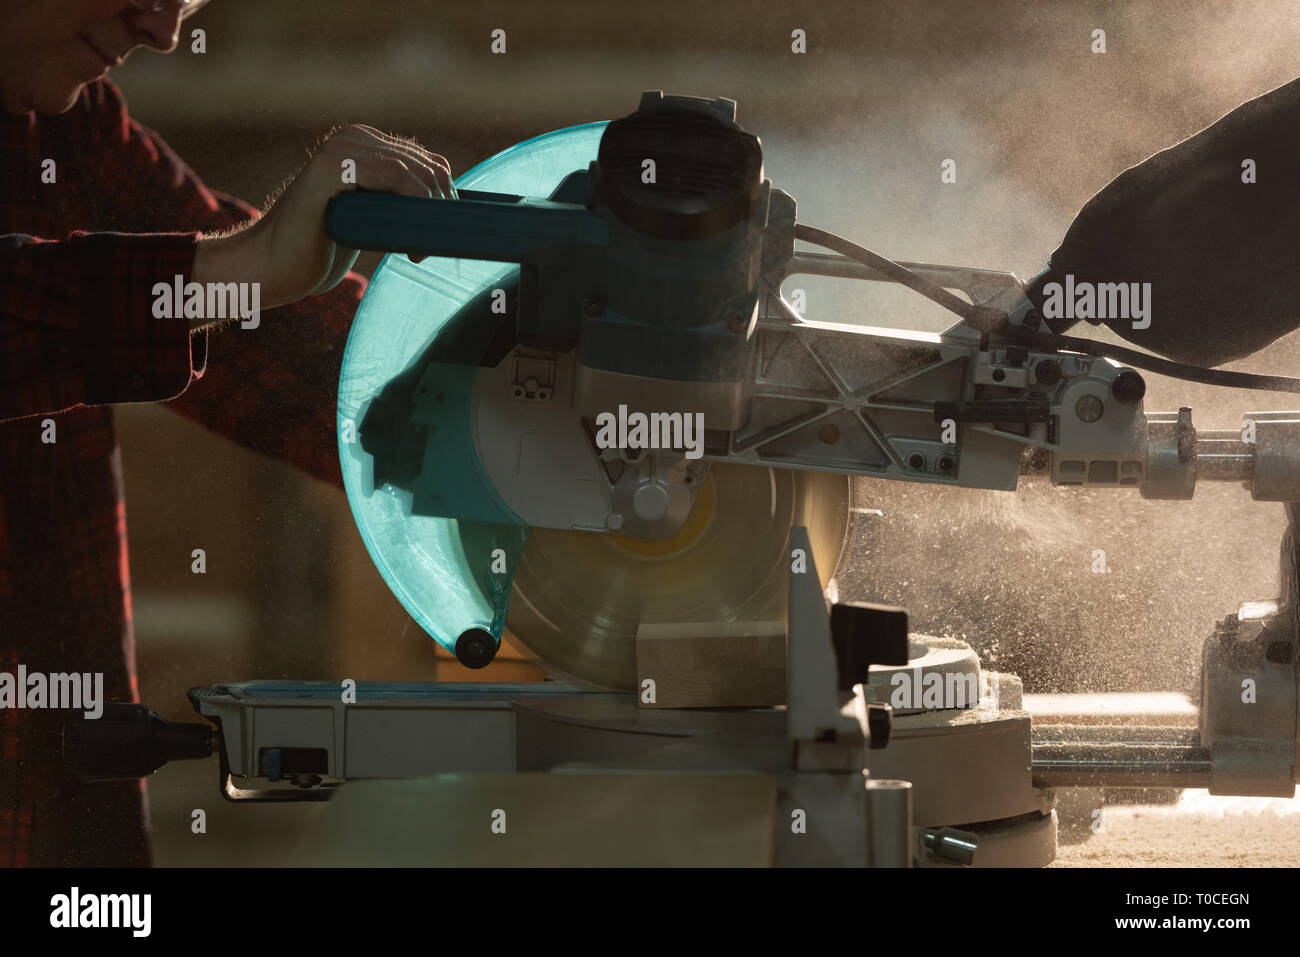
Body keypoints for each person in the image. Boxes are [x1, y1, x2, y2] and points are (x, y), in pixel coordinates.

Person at [0, 0, 454, 865]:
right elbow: (206, 279)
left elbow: (249, 332)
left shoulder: (63, 125)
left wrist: (496, 409)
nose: (164, 28)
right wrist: (237, 270)